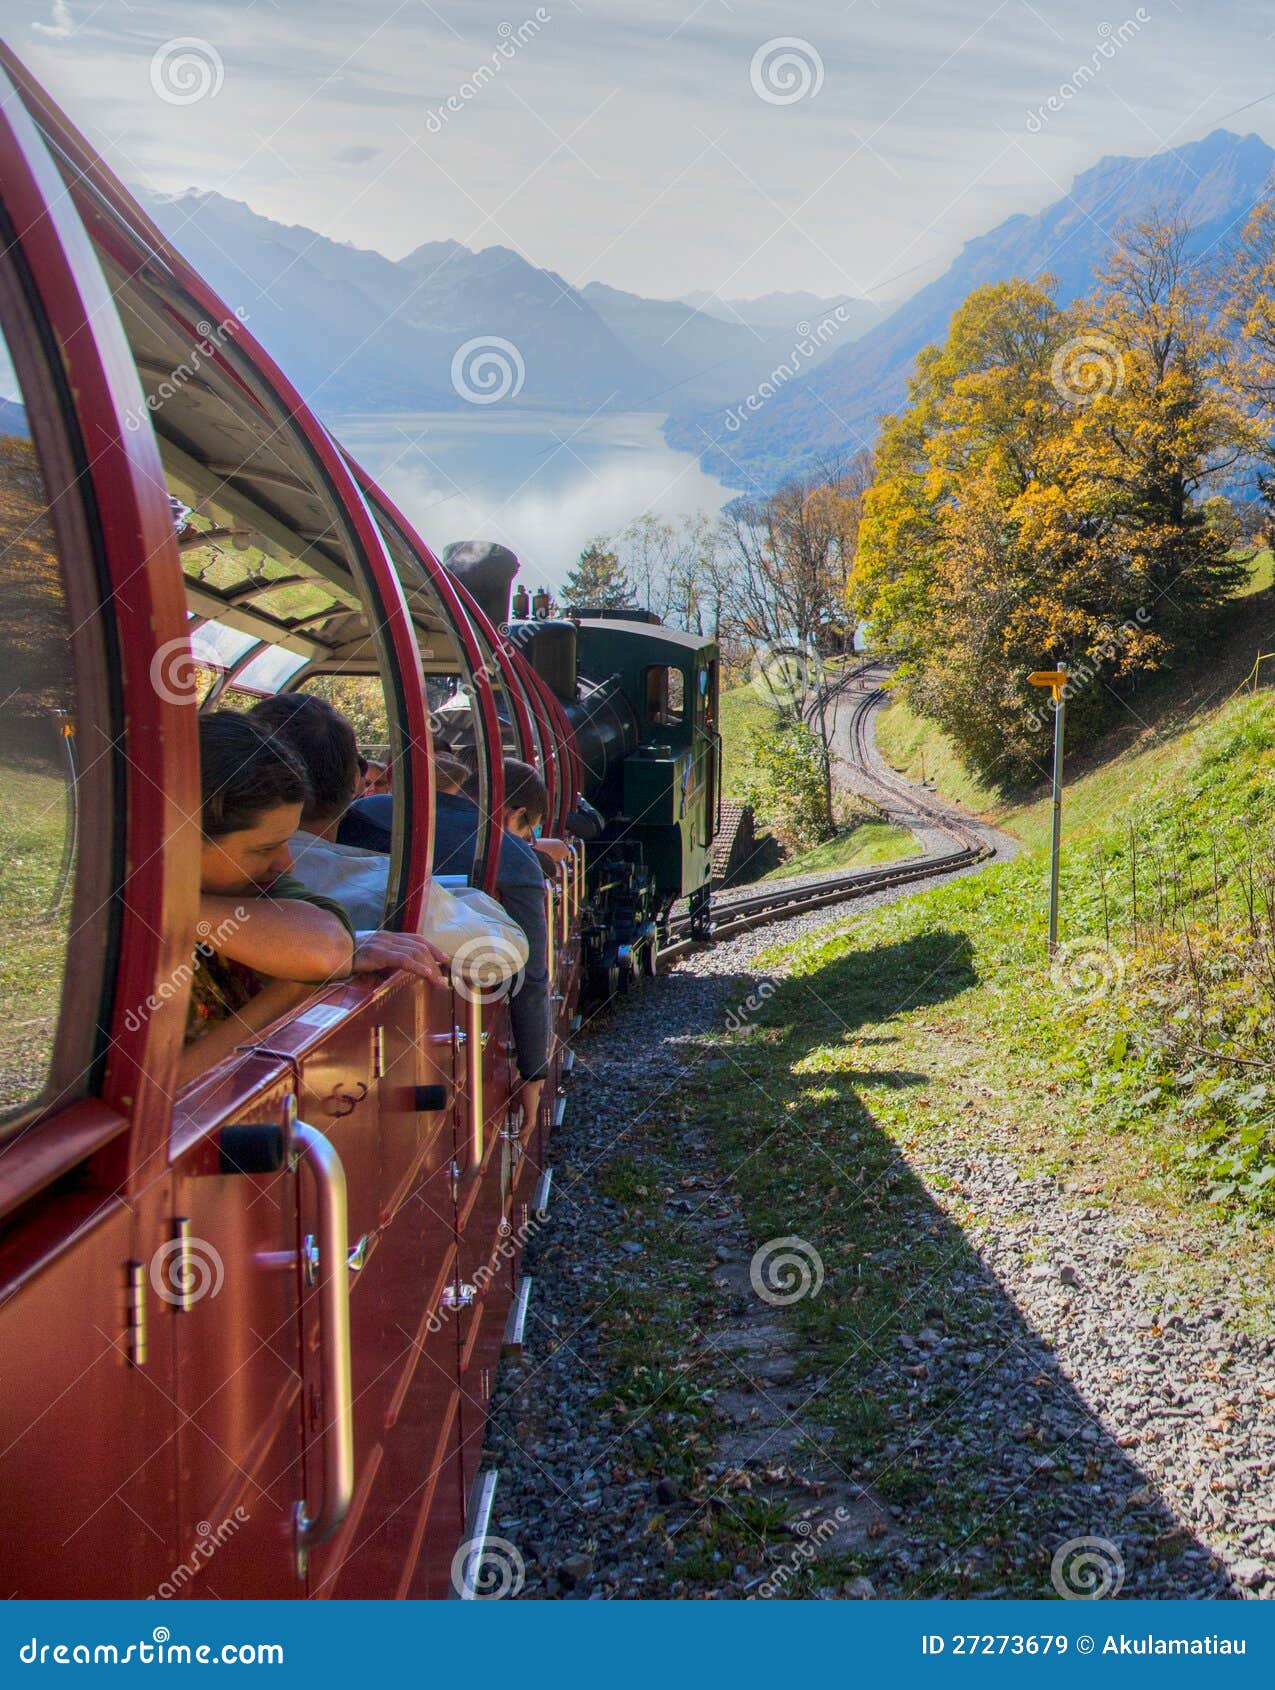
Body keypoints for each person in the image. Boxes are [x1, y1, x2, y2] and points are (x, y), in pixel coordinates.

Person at [183, 712, 447, 1083]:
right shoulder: (100, 935)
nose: (286, 864)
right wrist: (296, 986)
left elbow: (325, 946)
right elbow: (159, 1094)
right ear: (178, 840)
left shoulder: (254, 886)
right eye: (265, 848)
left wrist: (174, 905)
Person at [246, 696, 528, 991]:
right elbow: (504, 950)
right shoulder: (387, 887)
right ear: (357, 780)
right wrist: (452, 892)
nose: (283, 862)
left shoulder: (213, 883)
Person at [340, 756, 553, 1125]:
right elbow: (530, 976)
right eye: (529, 830)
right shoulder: (513, 854)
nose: (527, 841)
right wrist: (534, 1073)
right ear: (514, 814)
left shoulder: (368, 811)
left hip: (343, 996)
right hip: (435, 1022)